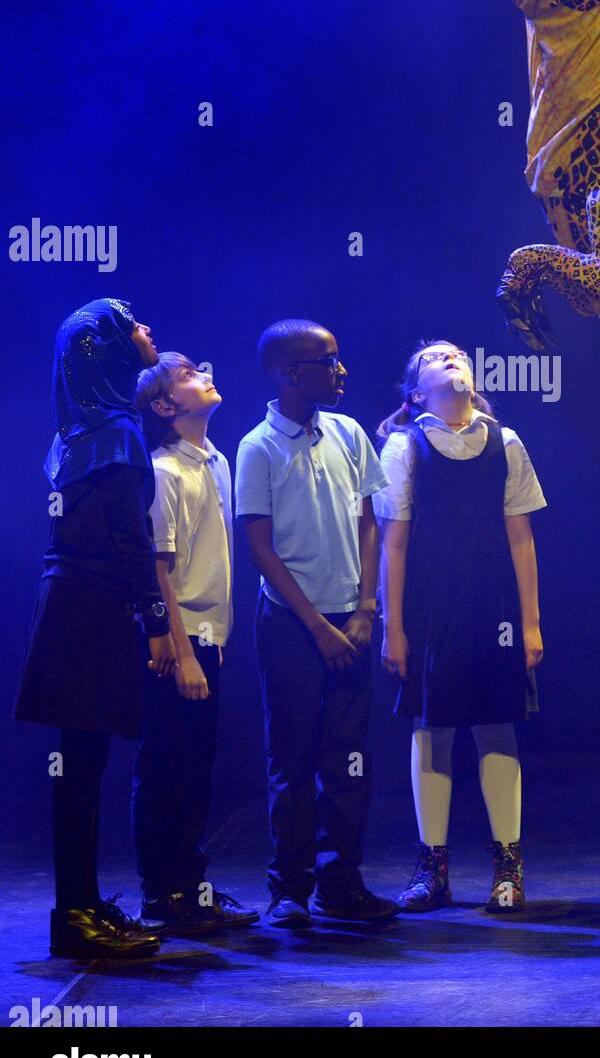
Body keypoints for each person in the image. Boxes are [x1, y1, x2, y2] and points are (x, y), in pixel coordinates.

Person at [15, 298, 170, 959]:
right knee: (81, 767)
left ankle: (80, 904)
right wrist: (158, 621)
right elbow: (132, 541)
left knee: (82, 765)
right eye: (130, 321)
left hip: (76, 603)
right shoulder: (113, 431)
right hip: (93, 604)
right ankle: (75, 915)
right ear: (98, 347)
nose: (146, 328)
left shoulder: (76, 431)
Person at [235, 318, 396, 929]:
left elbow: (368, 524)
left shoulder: (350, 433)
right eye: (329, 361)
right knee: (292, 758)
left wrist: (364, 610)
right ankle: (290, 888)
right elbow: (260, 549)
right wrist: (317, 626)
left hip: (350, 620)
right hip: (290, 625)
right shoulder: (259, 447)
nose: (341, 371)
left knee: (349, 756)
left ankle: (341, 880)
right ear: (292, 374)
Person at [376, 340, 546, 913]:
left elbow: (521, 540)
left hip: (493, 603)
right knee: (433, 730)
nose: (450, 357)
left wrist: (530, 624)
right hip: (431, 605)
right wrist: (392, 627)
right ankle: (433, 865)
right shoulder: (405, 445)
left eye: (457, 354)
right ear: (417, 392)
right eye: (434, 358)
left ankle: (509, 864)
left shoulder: (507, 441)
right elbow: (393, 546)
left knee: (498, 726)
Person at [132, 352, 259, 936]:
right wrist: (183, 654)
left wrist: (214, 642)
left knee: (196, 768)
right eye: (187, 376)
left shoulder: (216, 460)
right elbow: (159, 571)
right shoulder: (163, 471)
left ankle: (191, 885)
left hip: (209, 638)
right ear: (164, 406)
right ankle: (164, 895)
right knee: (167, 769)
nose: (206, 374)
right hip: (176, 643)